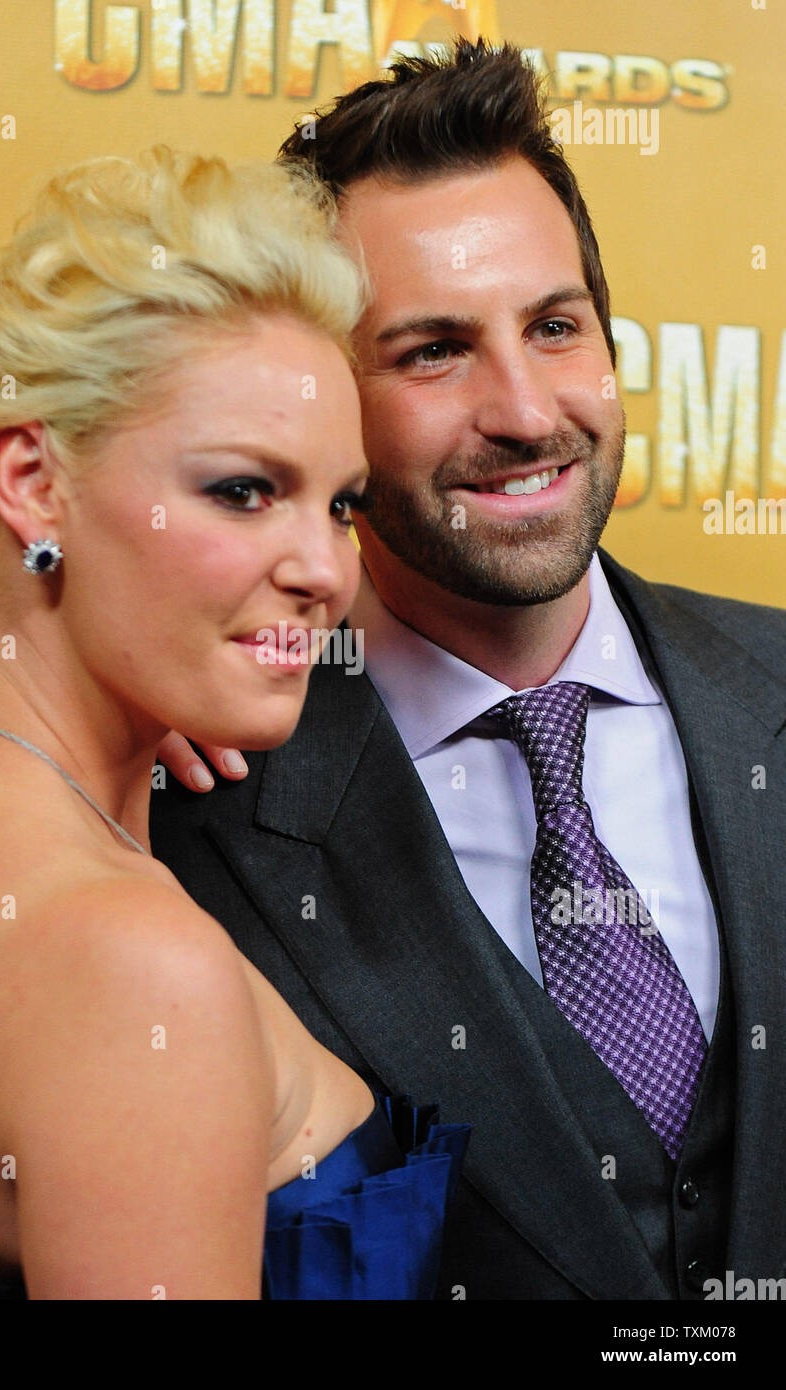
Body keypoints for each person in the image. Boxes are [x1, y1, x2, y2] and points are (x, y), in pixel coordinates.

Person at [151, 41, 786, 1300]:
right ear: (322, 397)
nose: (524, 409)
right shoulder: (188, 810)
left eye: (555, 327)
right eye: (433, 350)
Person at [0, 149, 469, 1300]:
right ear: (33, 480)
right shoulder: (133, 971)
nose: (325, 569)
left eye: (339, 505)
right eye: (243, 490)